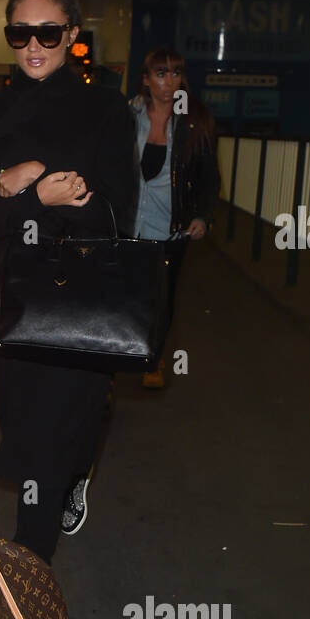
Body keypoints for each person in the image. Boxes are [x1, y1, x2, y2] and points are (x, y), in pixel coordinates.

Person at [0, 0, 138, 563]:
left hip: (83, 297)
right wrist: (39, 195)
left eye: (48, 33)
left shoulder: (107, 112)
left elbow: (119, 211)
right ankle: (60, 484)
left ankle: (28, 569)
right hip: (17, 299)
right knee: (22, 425)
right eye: (19, 34)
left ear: (72, 34)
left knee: (55, 437)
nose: (33, 47)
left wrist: (36, 179)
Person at [129, 47, 221, 387]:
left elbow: (210, 176)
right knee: (122, 295)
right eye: (161, 73)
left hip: (171, 227)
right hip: (129, 224)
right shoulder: (130, 115)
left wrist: (202, 215)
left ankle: (154, 359)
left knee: (161, 298)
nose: (170, 82)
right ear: (146, 80)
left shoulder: (195, 121)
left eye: (176, 73)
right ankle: (109, 367)